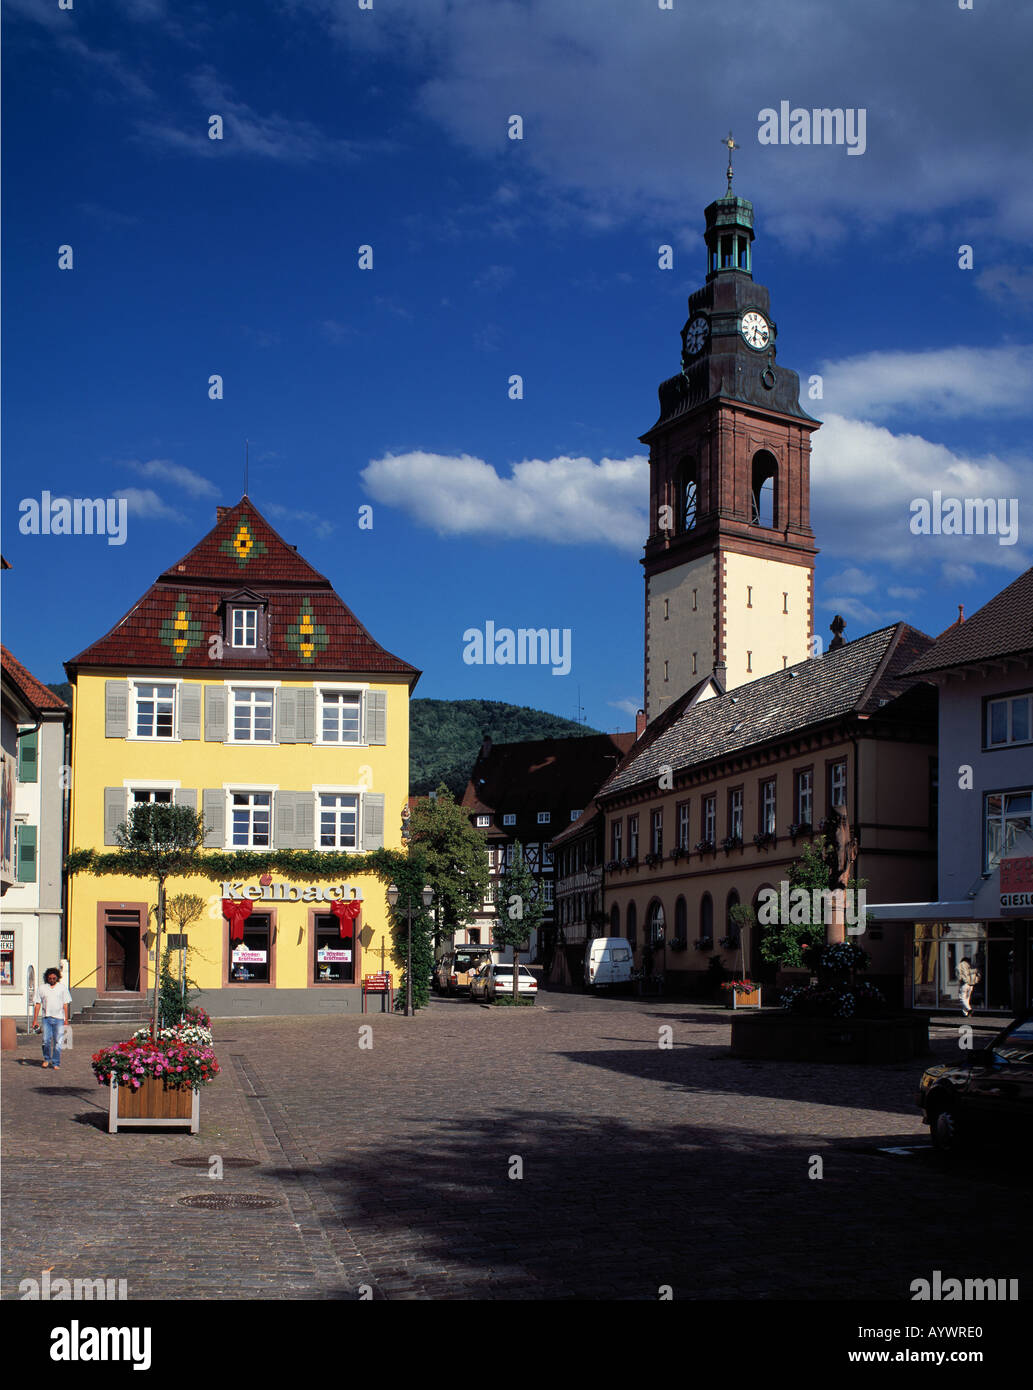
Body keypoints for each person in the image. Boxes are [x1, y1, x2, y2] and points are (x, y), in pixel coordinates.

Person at [32, 967, 72, 1069]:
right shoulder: (42, 988)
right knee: (46, 1040)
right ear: (47, 978)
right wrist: (35, 1020)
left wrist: (66, 1019)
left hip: (59, 1018)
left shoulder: (62, 988)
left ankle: (56, 1062)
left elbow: (65, 1004)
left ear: (57, 978)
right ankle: (46, 1059)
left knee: (58, 1042)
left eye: (54, 978)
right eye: (50, 978)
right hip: (46, 1018)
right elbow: (37, 1004)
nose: (52, 980)